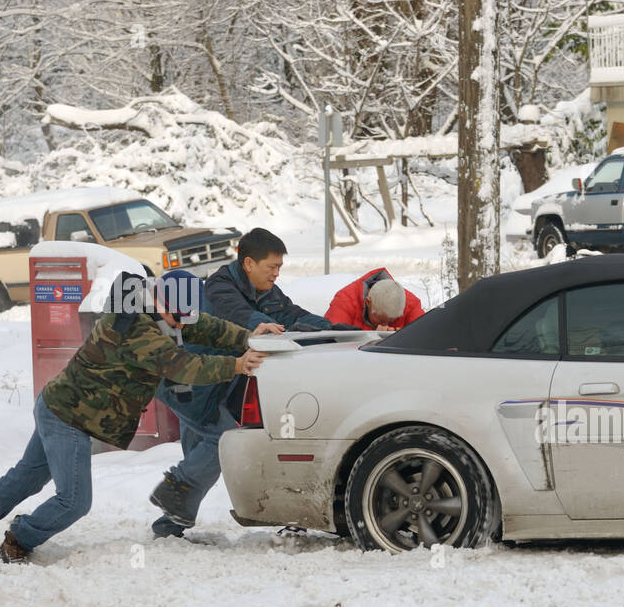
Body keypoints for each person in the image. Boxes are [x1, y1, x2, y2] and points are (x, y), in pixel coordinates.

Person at [0, 271, 271, 563]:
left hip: (56, 405)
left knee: (26, 477)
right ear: (161, 301)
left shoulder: (152, 308)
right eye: (177, 319)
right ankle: (20, 537)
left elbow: (204, 326)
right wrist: (238, 364)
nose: (181, 326)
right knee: (74, 502)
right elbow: (184, 366)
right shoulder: (136, 331)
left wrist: (247, 335)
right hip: (68, 417)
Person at [147, 269, 284, 538]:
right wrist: (239, 355)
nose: (275, 273)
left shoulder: (217, 294)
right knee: (220, 442)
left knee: (201, 454)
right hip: (188, 386)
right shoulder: (170, 316)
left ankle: (171, 521)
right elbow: (194, 357)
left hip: (205, 386)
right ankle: (173, 489)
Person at [205, 227, 357, 332]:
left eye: (279, 267)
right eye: (272, 267)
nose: (277, 273)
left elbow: (292, 314)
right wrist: (276, 329)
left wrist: (330, 328)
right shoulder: (219, 286)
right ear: (249, 264)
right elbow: (240, 315)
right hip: (214, 372)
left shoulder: (268, 289)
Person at [323, 268, 425, 330]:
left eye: (391, 321)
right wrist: (375, 339)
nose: (384, 325)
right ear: (368, 302)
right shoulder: (345, 301)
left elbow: (424, 338)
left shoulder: (411, 305)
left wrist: (400, 340)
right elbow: (333, 342)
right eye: (380, 319)